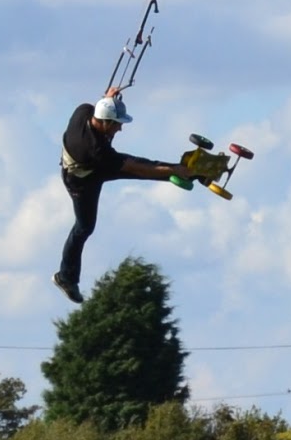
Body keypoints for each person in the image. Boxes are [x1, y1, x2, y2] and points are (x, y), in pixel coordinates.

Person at [53, 86, 190, 304]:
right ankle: (65, 277)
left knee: (144, 169)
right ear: (105, 122)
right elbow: (136, 167)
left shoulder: (84, 111)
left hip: (89, 165)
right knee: (84, 227)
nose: (120, 129)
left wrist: (108, 98)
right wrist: (172, 171)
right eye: (117, 125)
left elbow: (99, 107)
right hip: (81, 181)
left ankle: (186, 172)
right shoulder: (96, 150)